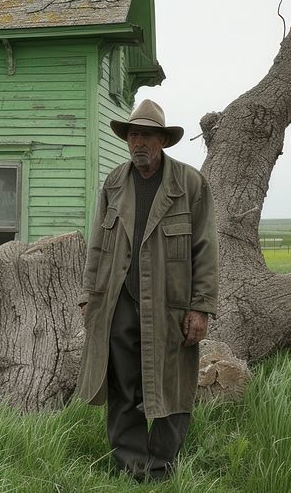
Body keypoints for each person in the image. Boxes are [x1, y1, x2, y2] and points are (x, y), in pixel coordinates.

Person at [75, 99, 219, 482]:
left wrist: (201, 307)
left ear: (162, 141)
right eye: (133, 135)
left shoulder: (189, 184)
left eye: (147, 136)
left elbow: (205, 248)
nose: (138, 142)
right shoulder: (114, 182)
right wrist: (90, 295)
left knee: (172, 384)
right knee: (124, 383)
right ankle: (131, 465)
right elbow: (97, 245)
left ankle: (160, 467)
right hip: (118, 300)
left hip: (171, 305)